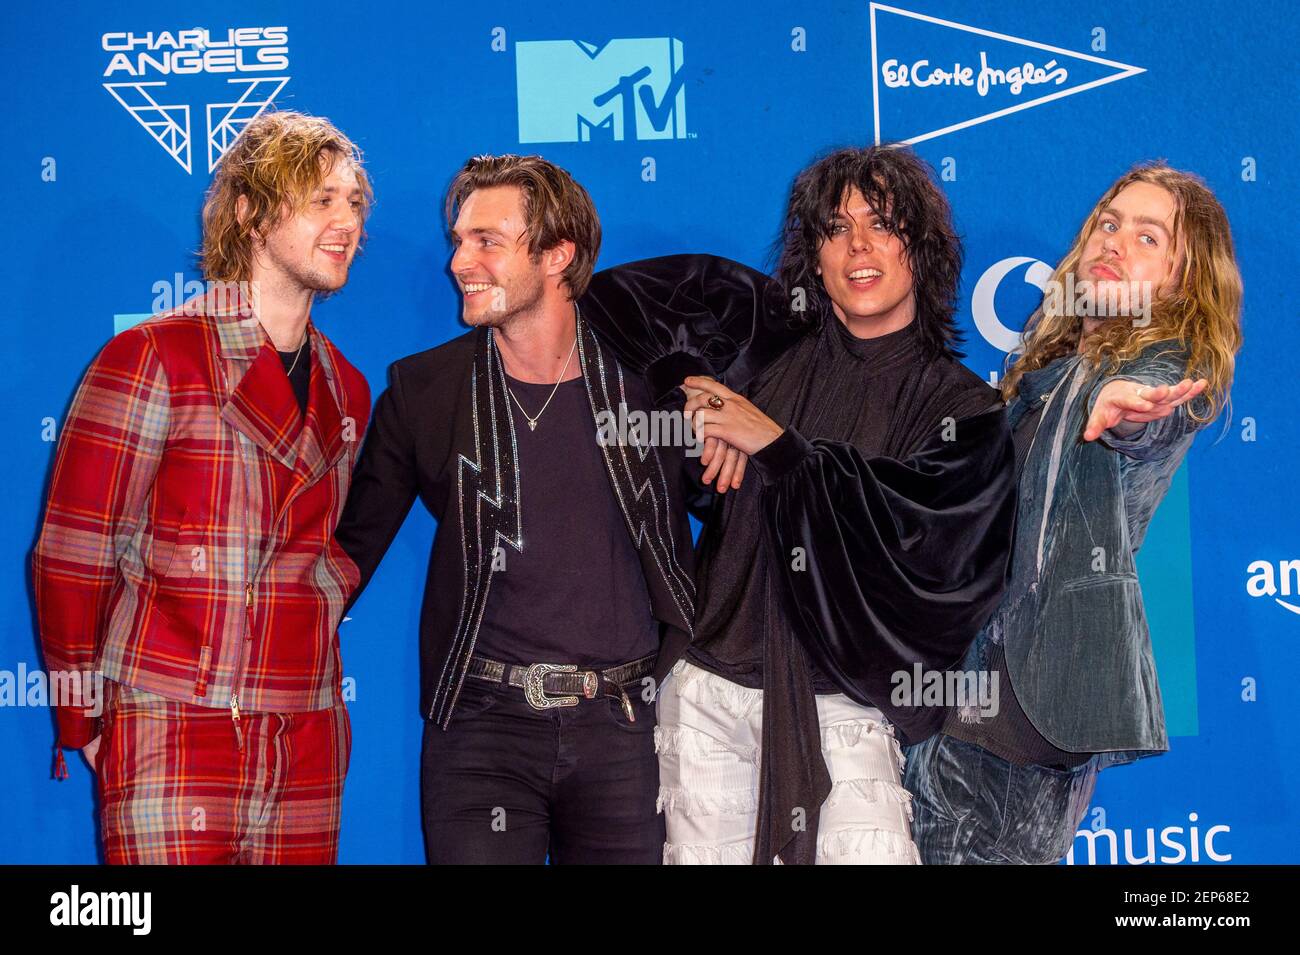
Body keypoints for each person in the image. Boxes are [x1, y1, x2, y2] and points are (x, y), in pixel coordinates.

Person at [581, 144, 1018, 864]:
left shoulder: (963, 410)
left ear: (923, 248)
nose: (859, 247)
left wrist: (779, 448)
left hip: (841, 704)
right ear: (814, 257)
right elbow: (608, 308)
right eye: (835, 229)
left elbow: (919, 551)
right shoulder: (761, 356)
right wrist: (691, 386)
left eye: (883, 224)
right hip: (708, 694)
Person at [333, 155, 760, 863]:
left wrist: (741, 448)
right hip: (480, 733)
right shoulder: (424, 391)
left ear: (557, 254)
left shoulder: (653, 390)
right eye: (458, 239)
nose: (458, 262)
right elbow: (344, 558)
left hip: (624, 726)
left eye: (486, 241)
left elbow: (737, 518)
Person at [32, 111, 374, 863]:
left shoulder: (348, 386)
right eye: (320, 199)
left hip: (307, 729)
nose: (345, 219)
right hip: (173, 719)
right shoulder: (152, 355)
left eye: (353, 202)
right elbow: (73, 553)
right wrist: (81, 717)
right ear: (250, 211)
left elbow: (330, 550)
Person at [903, 162, 1243, 865]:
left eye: (1149, 238)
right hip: (957, 699)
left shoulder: (1155, 371)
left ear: (1183, 285)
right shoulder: (1048, 374)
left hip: (1015, 717)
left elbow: (1144, 406)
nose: (1115, 242)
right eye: (1109, 225)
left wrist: (1124, 409)